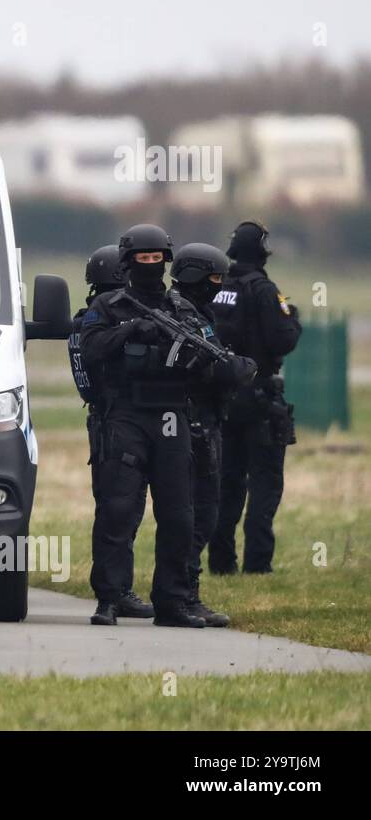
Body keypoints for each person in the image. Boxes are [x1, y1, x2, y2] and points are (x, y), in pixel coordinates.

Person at [80, 223, 205, 628]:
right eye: (143, 258)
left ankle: (173, 601)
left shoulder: (183, 310)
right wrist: (131, 329)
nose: (150, 265)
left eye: (156, 258)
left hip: (170, 416)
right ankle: (110, 598)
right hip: (126, 416)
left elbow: (207, 360)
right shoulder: (109, 306)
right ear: (127, 262)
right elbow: (90, 348)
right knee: (117, 509)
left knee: (179, 514)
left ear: (166, 261)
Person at [208, 220, 302, 574]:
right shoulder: (264, 290)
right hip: (260, 396)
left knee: (226, 481)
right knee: (265, 482)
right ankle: (258, 563)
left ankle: (221, 562)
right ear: (263, 250)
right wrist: (293, 318)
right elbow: (282, 339)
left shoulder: (219, 287)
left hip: (223, 397)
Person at [171, 243, 257, 625]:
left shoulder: (193, 311)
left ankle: (183, 594)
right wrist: (242, 366)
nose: (219, 285)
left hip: (202, 420)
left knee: (200, 512)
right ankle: (181, 596)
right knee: (199, 513)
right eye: (215, 278)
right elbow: (214, 367)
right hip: (194, 423)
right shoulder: (182, 314)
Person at [68, 244, 153, 620]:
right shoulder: (107, 321)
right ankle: (116, 591)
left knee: (115, 507)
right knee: (122, 510)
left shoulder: (84, 320)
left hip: (102, 419)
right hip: (117, 420)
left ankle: (116, 589)